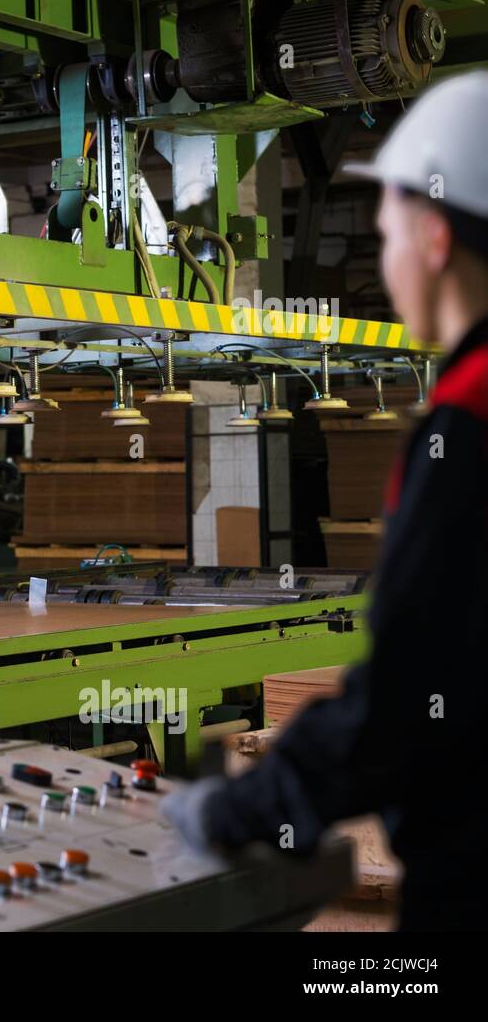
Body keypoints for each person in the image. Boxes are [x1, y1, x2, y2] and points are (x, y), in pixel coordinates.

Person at [162, 71, 488, 931]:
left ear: (431, 237)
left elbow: (413, 694)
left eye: (384, 233)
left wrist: (242, 809)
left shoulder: (473, 418)